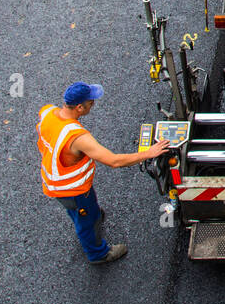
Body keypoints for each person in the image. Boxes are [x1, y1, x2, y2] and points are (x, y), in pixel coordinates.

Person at [38, 82, 170, 264]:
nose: (93, 104)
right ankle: (98, 254)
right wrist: (149, 153)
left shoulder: (48, 113)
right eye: (91, 102)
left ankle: (90, 215)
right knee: (87, 222)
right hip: (73, 190)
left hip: (57, 184)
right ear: (79, 107)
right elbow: (113, 161)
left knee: (82, 211)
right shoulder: (77, 137)